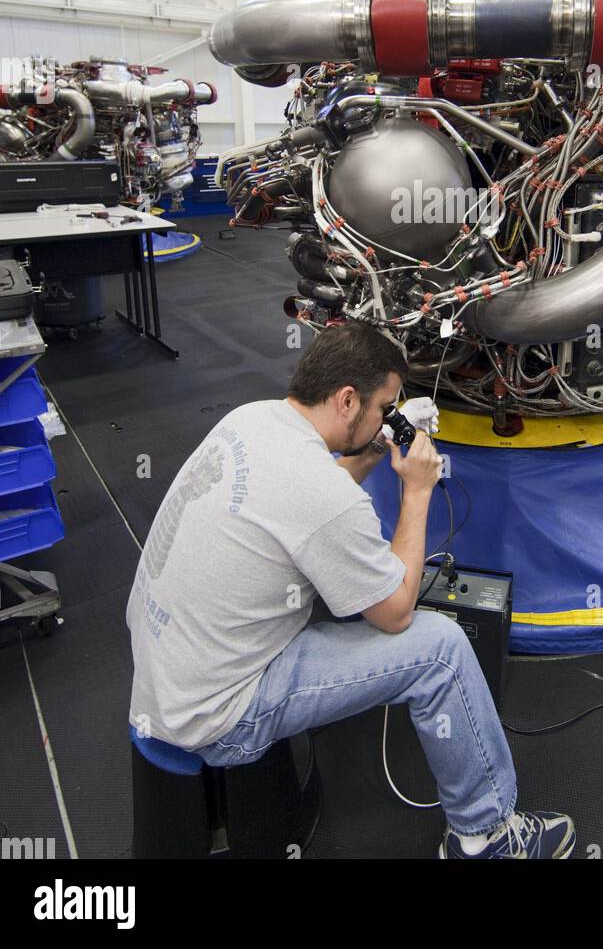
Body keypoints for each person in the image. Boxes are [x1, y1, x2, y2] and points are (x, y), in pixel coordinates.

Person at [126, 320, 574, 859]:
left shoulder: (252, 418)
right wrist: (416, 489)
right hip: (217, 716)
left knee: (337, 587)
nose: (389, 416)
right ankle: (487, 837)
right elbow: (396, 613)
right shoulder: (322, 495)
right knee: (443, 651)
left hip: (163, 672)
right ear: (346, 399)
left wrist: (374, 445)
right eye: (385, 407)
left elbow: (313, 493)